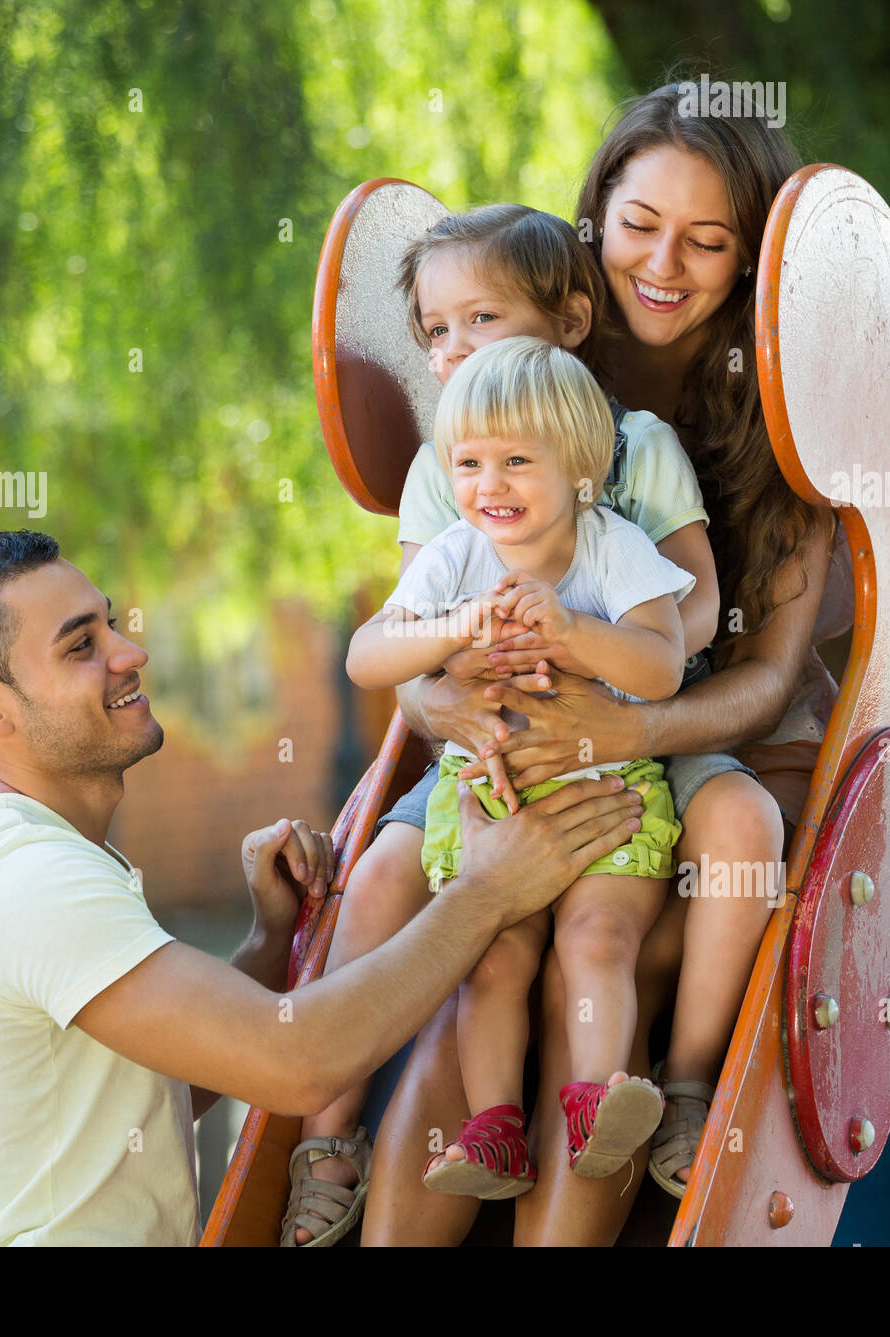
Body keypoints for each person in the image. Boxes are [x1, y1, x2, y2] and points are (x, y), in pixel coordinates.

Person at [362, 83, 851, 1246]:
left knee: (624, 927)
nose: (665, 263)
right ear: (592, 230)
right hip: (533, 733)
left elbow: (761, 675)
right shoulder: (518, 381)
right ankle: (353, 1158)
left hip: (705, 734)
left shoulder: (771, 423)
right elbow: (421, 612)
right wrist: (438, 696)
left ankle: (662, 1105)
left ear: (750, 259)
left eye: (708, 238)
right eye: (638, 226)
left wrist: (623, 731)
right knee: (467, 918)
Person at [0, 530, 645, 1245]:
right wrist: (486, 893)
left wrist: (270, 941)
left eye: (111, 624)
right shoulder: (23, 878)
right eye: (81, 645)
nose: (132, 652)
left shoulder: (25, 856)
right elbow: (297, 1066)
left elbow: (161, 1093)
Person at [283, 203, 763, 1246]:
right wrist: (456, 673)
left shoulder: (628, 458)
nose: (456, 349)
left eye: (481, 319)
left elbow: (681, 620)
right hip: (482, 744)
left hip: (620, 727)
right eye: (436, 331)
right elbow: (404, 643)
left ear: (571, 319)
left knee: (586, 933)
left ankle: (667, 1088)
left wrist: (589, 667)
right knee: (386, 890)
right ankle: (325, 1134)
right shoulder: (448, 478)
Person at [347, 335, 693, 1201]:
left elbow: (664, 664)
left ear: (578, 467)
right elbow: (368, 655)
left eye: (515, 461)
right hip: (492, 802)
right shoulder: (457, 555)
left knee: (597, 940)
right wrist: (458, 628)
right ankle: (496, 1127)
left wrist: (574, 631)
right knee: (492, 959)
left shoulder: (610, 547)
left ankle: (598, 1101)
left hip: (601, 793)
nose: (488, 485)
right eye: (467, 462)